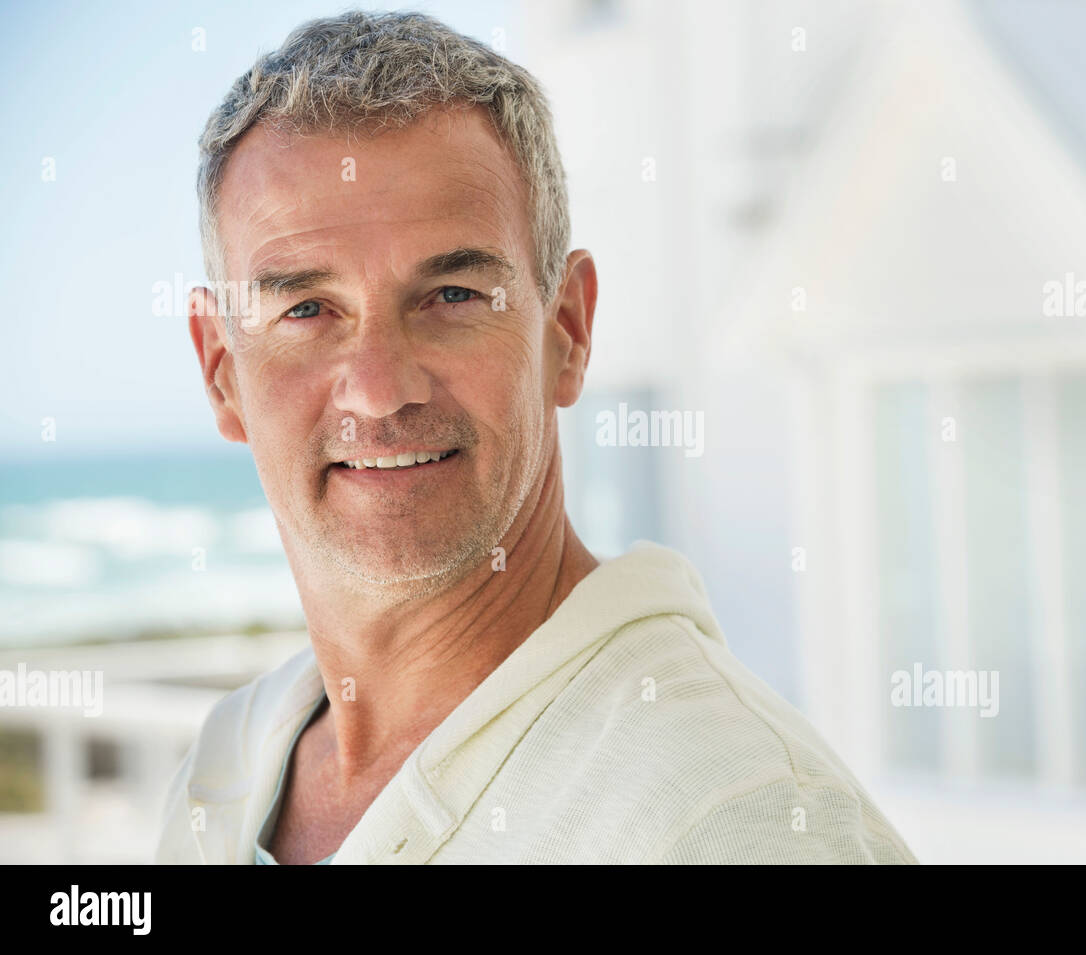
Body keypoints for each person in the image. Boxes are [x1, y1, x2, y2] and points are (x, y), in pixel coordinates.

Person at [155, 9, 917, 865]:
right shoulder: (220, 771)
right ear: (221, 370)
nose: (379, 389)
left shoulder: (736, 818)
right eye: (306, 309)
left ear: (568, 331)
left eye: (452, 296)